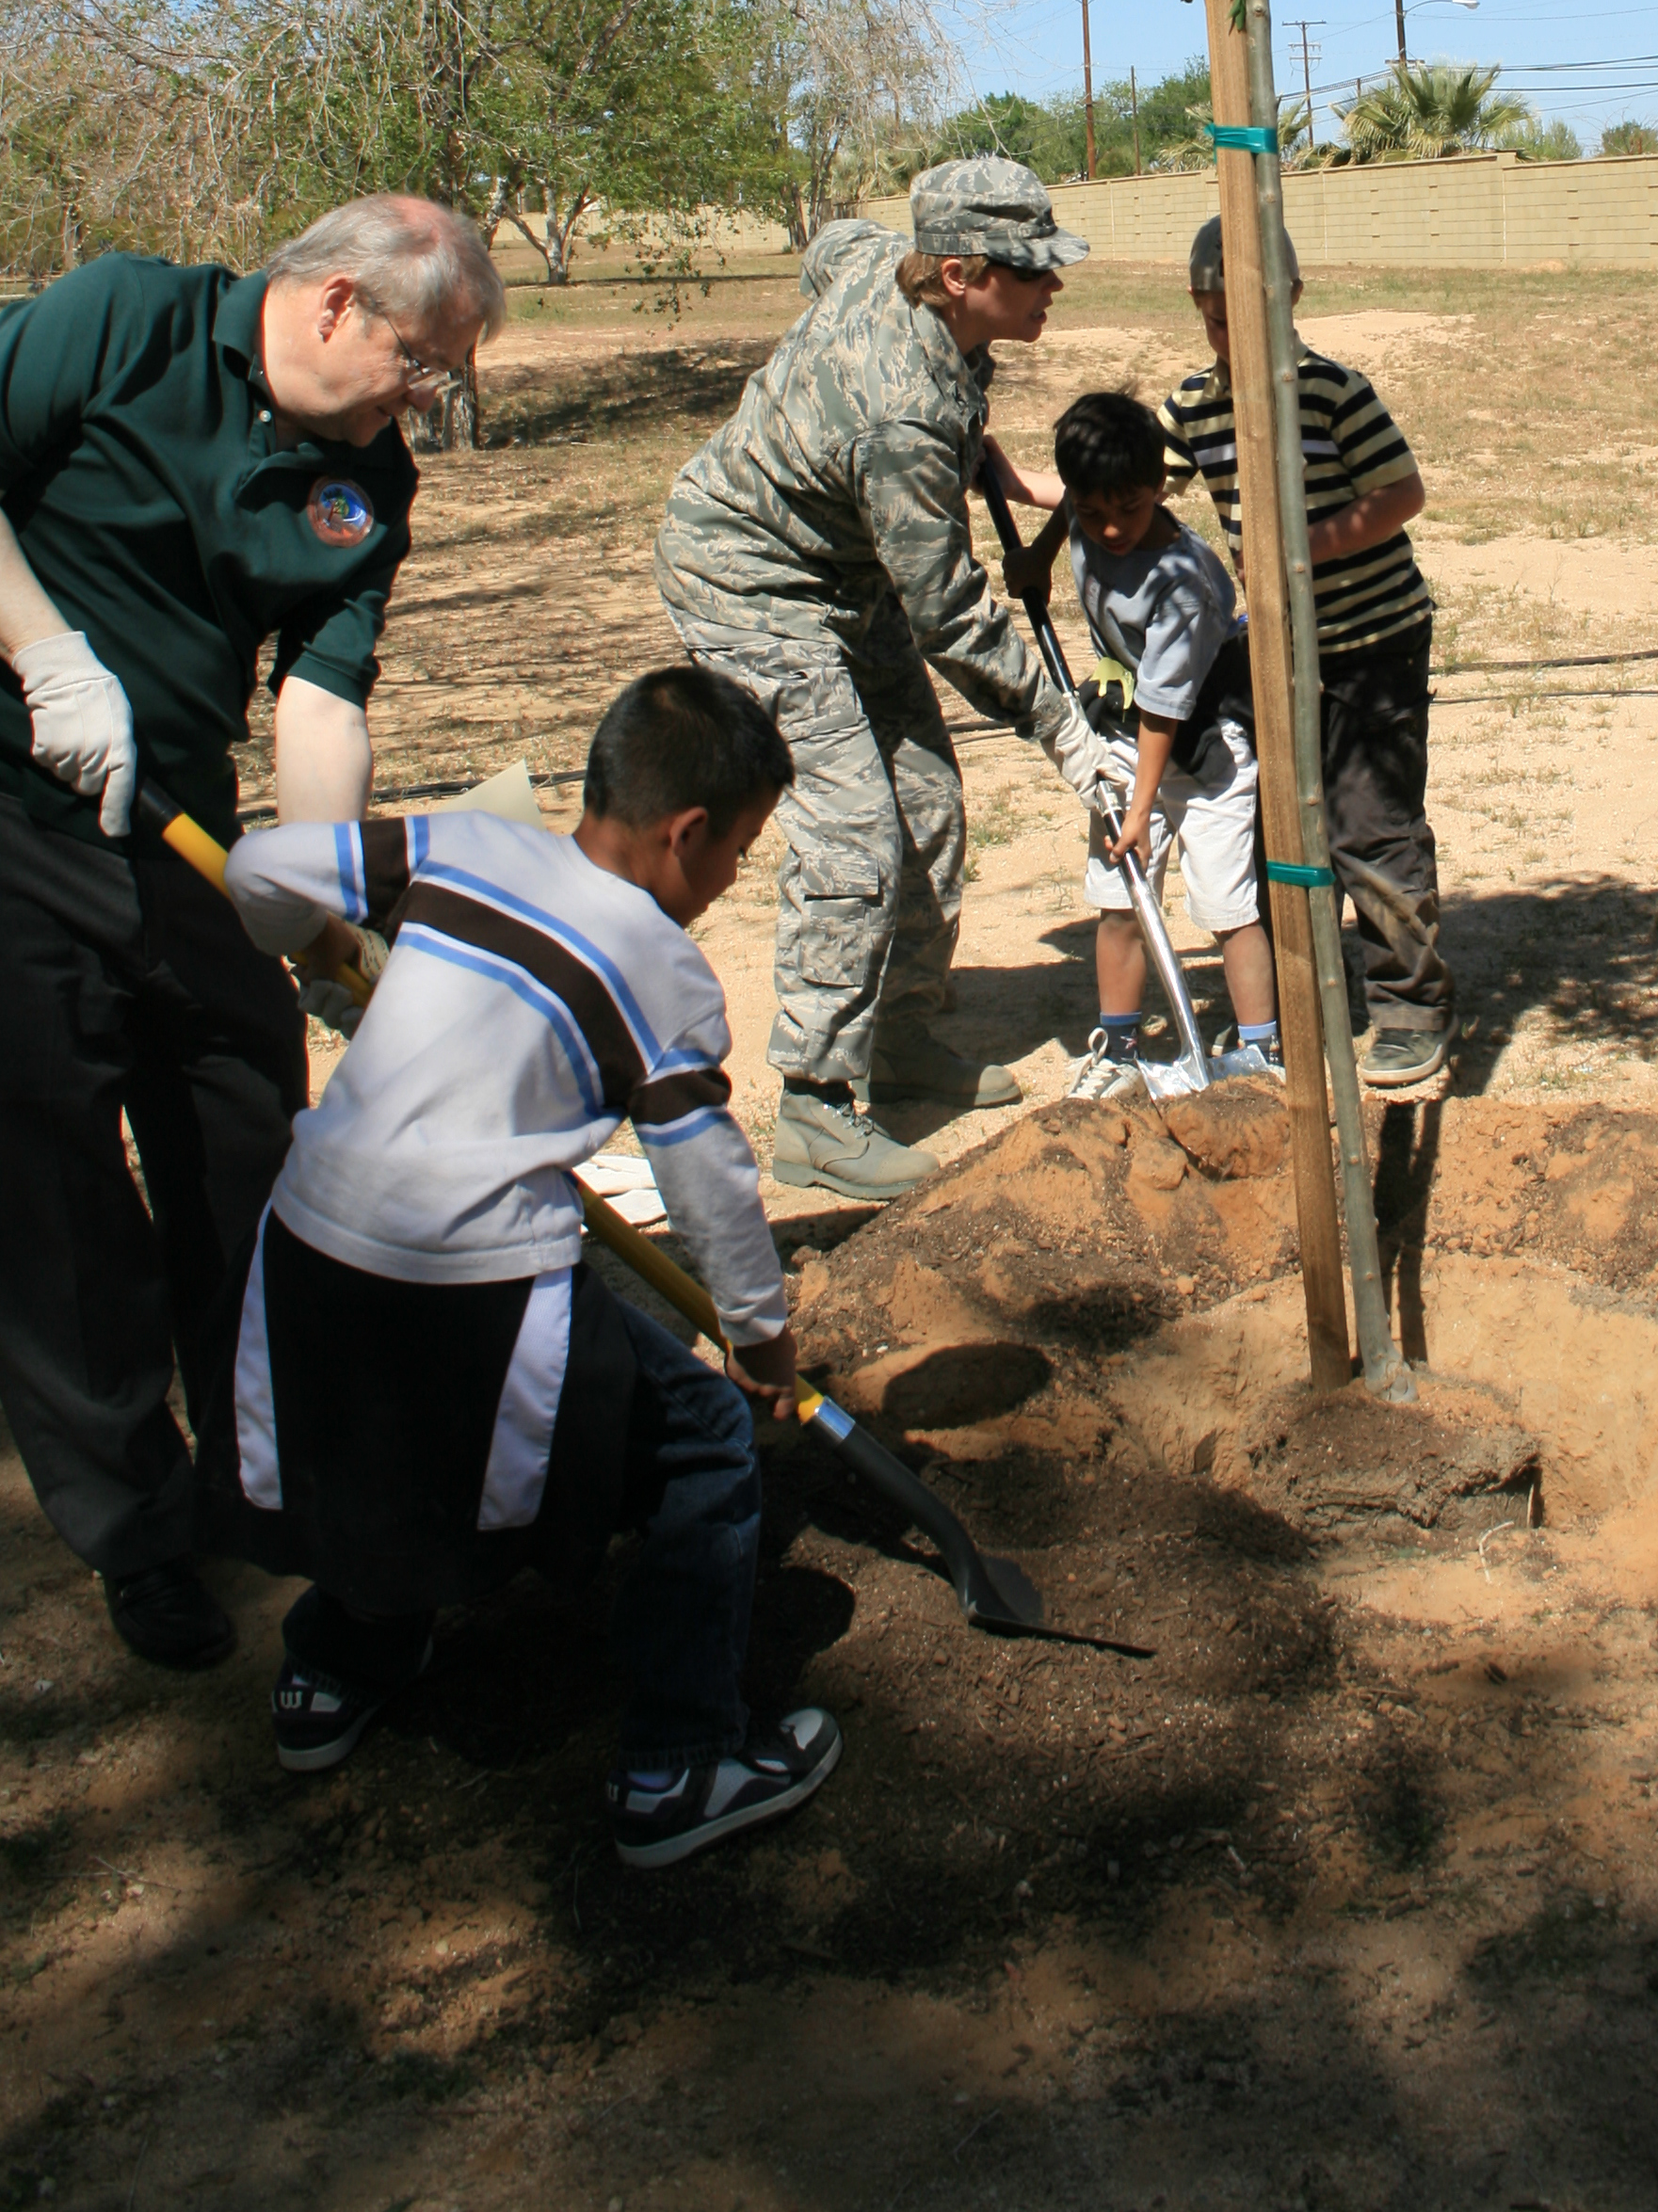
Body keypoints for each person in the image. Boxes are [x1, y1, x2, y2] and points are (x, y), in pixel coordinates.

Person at [210, 665, 836, 1866]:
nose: (736, 878)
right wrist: (760, 1344)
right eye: (743, 852)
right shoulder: (664, 974)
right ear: (685, 833)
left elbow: (250, 870)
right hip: (472, 1282)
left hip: (310, 1241)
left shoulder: (460, 844)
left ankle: (336, 1673)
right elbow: (711, 1190)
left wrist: (323, 937)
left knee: (373, 1437)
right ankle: (680, 1765)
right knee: (707, 1441)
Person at [0, 192, 501, 1670]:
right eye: (424, 362)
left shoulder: (372, 482)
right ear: (339, 303)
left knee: (244, 1130)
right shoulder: (124, 320)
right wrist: (43, 655)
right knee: (61, 1190)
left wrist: (319, 881)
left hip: (182, 829)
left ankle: (257, 1472)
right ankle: (134, 1528)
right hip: (17, 806)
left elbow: (323, 697)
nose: (432, 397)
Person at [654, 161, 1122, 1205]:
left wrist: (981, 453)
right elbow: (950, 612)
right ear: (956, 273)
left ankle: (896, 1039)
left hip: (846, 569)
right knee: (855, 822)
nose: (1052, 285)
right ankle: (818, 1105)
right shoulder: (901, 418)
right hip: (750, 579)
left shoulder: (884, 260)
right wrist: (1064, 731)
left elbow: (833, 247)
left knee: (928, 801)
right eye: (1028, 271)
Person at [1158, 216, 1455, 1093]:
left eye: (1247, 316)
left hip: (1372, 642)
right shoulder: (1198, 403)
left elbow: (1403, 492)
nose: (1229, 336)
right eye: (1215, 320)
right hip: (1279, 651)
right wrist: (1034, 484)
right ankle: (1300, 993)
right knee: (1279, 824)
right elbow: (1135, 481)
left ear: (1291, 300)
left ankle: (1410, 1006)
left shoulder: (1332, 393)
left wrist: (1301, 547)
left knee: (1373, 825)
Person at [1042, 390, 1280, 1088]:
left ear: (1157, 488)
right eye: (1092, 513)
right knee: (1120, 898)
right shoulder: (1085, 509)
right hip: (1127, 732)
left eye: (1129, 509)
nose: (1109, 530)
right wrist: (1036, 555)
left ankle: (1261, 1051)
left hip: (1203, 747)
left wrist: (1140, 811)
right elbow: (1057, 503)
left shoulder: (1183, 586)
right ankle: (1116, 1051)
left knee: (1226, 906)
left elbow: (1163, 711)